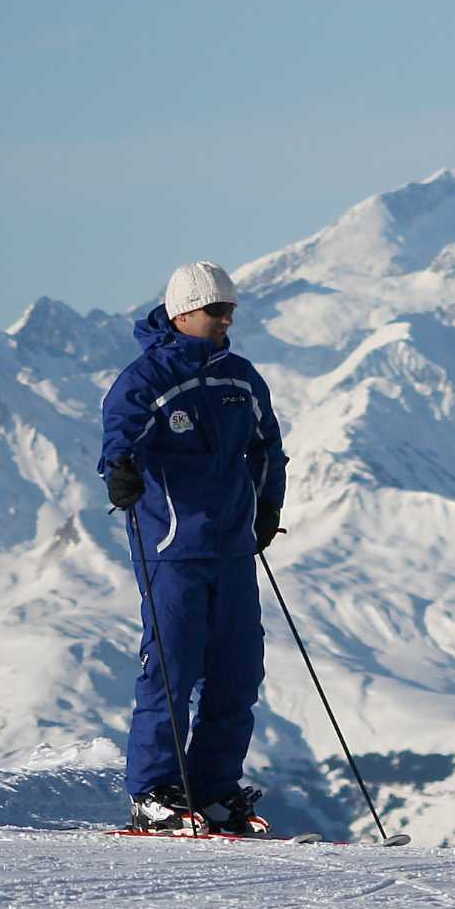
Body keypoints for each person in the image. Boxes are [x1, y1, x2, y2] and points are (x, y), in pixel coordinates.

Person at [100, 261, 286, 834]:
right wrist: (120, 472)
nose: (227, 319)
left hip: (231, 548)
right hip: (173, 547)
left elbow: (267, 447)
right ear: (183, 313)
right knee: (171, 670)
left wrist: (268, 507)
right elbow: (118, 437)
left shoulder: (240, 377)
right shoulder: (146, 378)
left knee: (237, 671)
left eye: (231, 309)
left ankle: (213, 790)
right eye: (216, 310)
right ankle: (153, 791)